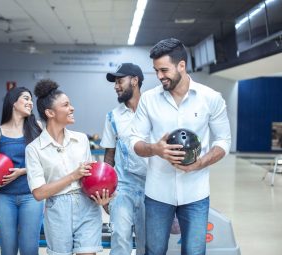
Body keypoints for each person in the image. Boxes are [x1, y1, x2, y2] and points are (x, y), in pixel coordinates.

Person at [129, 38, 231, 255]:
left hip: (196, 193)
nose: (159, 76)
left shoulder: (210, 98)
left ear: (182, 66)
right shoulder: (148, 99)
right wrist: (155, 149)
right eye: (156, 71)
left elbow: (223, 141)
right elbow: (134, 141)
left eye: (164, 70)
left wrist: (200, 162)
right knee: (154, 251)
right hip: (158, 194)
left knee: (194, 252)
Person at [25, 79, 113, 255]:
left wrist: (103, 199)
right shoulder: (34, 149)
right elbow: (39, 193)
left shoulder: (81, 140)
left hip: (88, 206)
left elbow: (91, 178)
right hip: (58, 211)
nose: (72, 108)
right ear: (50, 112)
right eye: (66, 105)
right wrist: (73, 176)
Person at [0, 87, 44, 255]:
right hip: (2, 198)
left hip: (31, 196)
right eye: (26, 98)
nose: (30, 102)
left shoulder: (37, 127)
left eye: (31, 99)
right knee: (8, 249)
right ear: (13, 102)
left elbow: (46, 163)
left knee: (29, 249)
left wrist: (21, 171)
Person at [100, 63, 147, 255]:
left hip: (153, 187)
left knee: (150, 243)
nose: (116, 86)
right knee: (120, 237)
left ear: (135, 81)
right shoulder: (113, 116)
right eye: (115, 82)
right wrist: (105, 191)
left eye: (120, 81)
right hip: (123, 186)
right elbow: (109, 156)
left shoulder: (154, 109)